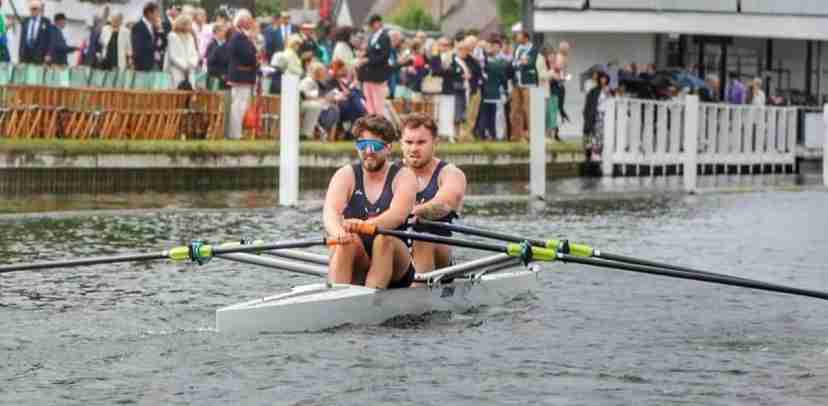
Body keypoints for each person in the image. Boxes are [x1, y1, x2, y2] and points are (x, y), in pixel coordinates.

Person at [323, 114, 418, 289]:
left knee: (384, 239)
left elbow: (396, 216)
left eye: (374, 145)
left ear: (388, 147)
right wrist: (338, 232)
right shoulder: (345, 175)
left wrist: (364, 225)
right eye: (362, 145)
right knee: (345, 241)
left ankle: (370, 301)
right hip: (358, 253)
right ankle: (333, 297)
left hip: (395, 259)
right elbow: (330, 213)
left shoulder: (404, 177)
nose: (368, 151)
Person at [400, 113, 467, 275]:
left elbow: (444, 204)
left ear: (435, 143)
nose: (414, 148)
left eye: (421, 142)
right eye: (409, 142)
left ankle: (419, 295)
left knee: (422, 238)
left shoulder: (450, 174)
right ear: (401, 143)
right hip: (398, 252)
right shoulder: (390, 173)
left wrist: (414, 211)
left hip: (437, 254)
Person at [227, 9, 258, 140]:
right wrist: (255, 58)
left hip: (245, 75)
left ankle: (238, 132)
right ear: (241, 22)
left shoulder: (243, 36)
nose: (250, 22)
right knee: (238, 105)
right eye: (248, 20)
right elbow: (246, 55)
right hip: (240, 75)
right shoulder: (238, 36)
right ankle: (235, 133)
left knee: (242, 104)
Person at [356, 14, 391, 117]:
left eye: (373, 24)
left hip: (378, 75)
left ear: (378, 23)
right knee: (369, 100)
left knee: (378, 103)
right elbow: (369, 52)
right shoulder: (371, 37)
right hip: (368, 74)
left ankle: (379, 123)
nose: (371, 27)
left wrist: (368, 60)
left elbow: (384, 56)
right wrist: (363, 55)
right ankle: (371, 121)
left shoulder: (385, 37)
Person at [164, 14, 199, 89]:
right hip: (176, 70)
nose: (191, 27)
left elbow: (194, 54)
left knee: (190, 94)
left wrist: (191, 64)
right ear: (183, 24)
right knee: (177, 94)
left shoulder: (190, 37)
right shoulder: (172, 36)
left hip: (189, 71)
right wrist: (185, 66)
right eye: (189, 24)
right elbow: (173, 56)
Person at [19, 0, 52, 64]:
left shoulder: (46, 21)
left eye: (35, 9)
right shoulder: (25, 21)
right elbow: (22, 39)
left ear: (39, 9)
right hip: (25, 54)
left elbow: (50, 39)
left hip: (39, 54)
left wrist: (48, 54)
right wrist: (20, 54)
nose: (33, 11)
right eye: (31, 9)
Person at [131, 2, 161, 71]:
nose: (158, 15)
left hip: (153, 63)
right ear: (149, 13)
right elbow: (137, 48)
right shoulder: (138, 26)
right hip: (143, 66)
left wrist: (159, 31)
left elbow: (157, 44)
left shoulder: (153, 26)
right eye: (156, 13)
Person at [206, 23, 230, 89]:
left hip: (227, 78)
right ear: (216, 32)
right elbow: (210, 63)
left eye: (224, 31)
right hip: (215, 78)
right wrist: (220, 75)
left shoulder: (228, 44)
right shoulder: (211, 45)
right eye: (222, 30)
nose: (224, 33)